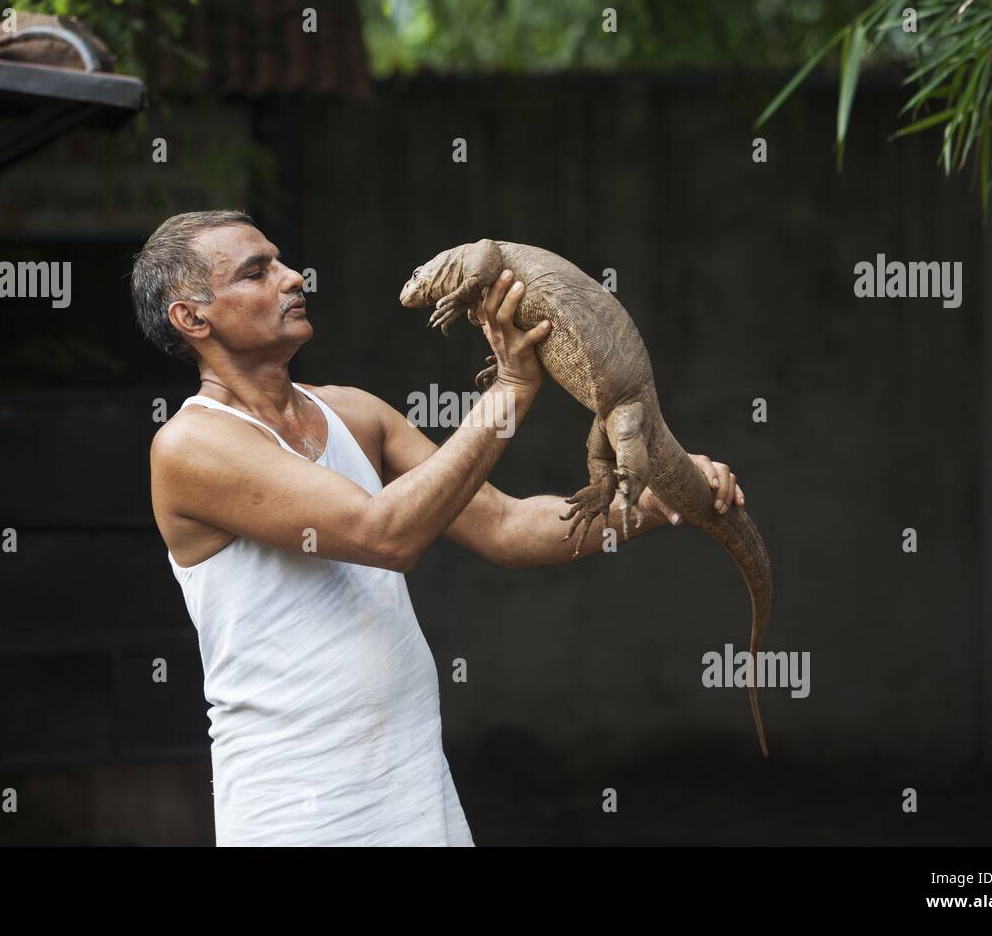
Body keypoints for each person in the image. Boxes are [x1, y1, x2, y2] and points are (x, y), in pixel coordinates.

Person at [131, 210, 746, 845]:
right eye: (257, 272)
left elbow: (506, 527)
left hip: (414, 782)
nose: (292, 278)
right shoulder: (190, 446)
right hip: (297, 802)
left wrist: (653, 504)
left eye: (282, 261)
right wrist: (510, 387)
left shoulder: (355, 412)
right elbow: (384, 536)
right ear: (192, 318)